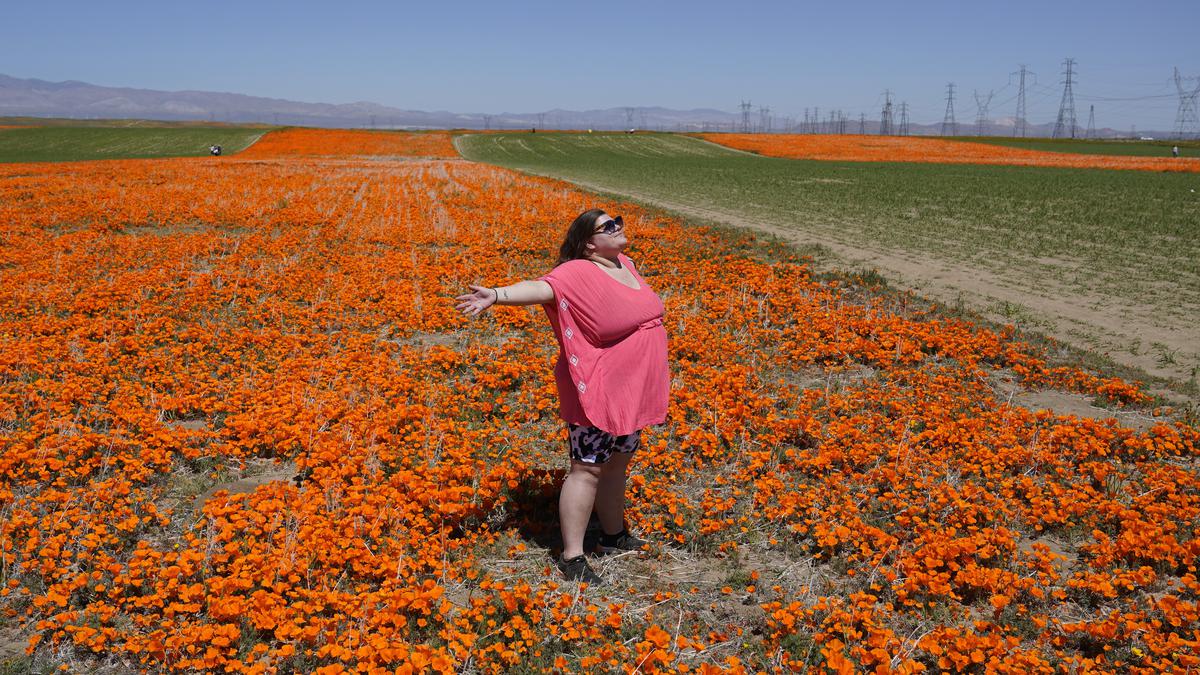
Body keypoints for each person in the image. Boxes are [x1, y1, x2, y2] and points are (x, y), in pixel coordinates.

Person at [454, 209, 670, 584]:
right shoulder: (575, 272)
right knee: (586, 469)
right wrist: (497, 295)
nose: (619, 228)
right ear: (589, 242)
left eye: (617, 220)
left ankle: (613, 536)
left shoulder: (625, 263)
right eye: (608, 226)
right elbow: (542, 288)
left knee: (617, 463)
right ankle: (572, 557)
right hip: (598, 389)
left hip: (631, 390)